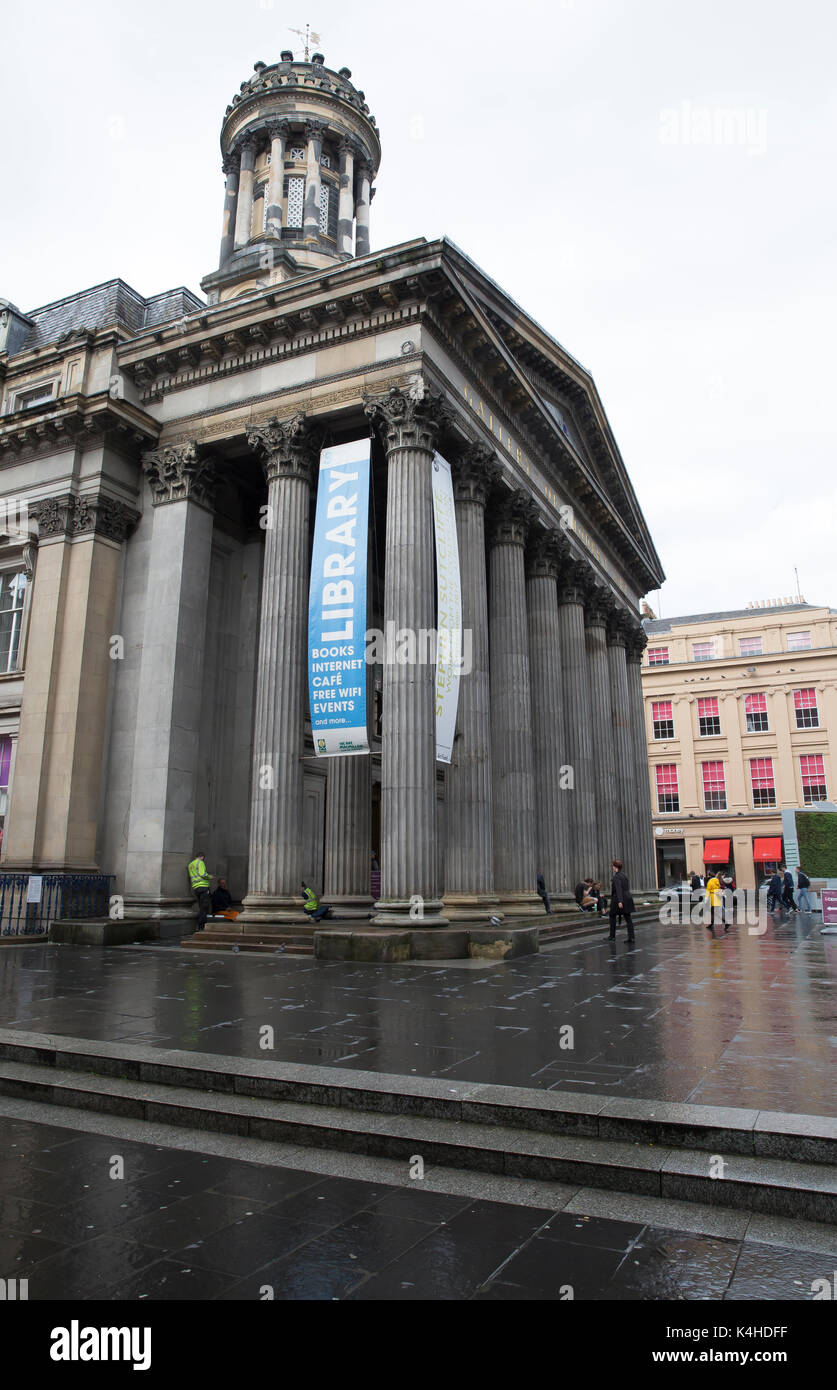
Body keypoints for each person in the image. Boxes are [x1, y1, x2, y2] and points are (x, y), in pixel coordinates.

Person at [609, 860, 635, 943]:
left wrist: (620, 901)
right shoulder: (624, 875)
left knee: (612, 916)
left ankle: (612, 936)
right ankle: (631, 937)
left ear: (615, 867)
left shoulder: (616, 876)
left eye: (612, 866)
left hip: (618, 898)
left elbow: (618, 889)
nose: (612, 867)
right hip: (627, 897)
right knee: (628, 918)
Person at [187, 851, 212, 932]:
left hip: (196, 887)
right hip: (203, 886)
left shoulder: (190, 864)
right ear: (202, 857)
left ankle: (199, 925)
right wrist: (209, 877)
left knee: (201, 907)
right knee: (204, 907)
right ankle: (201, 926)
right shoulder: (200, 862)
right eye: (203, 858)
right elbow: (203, 874)